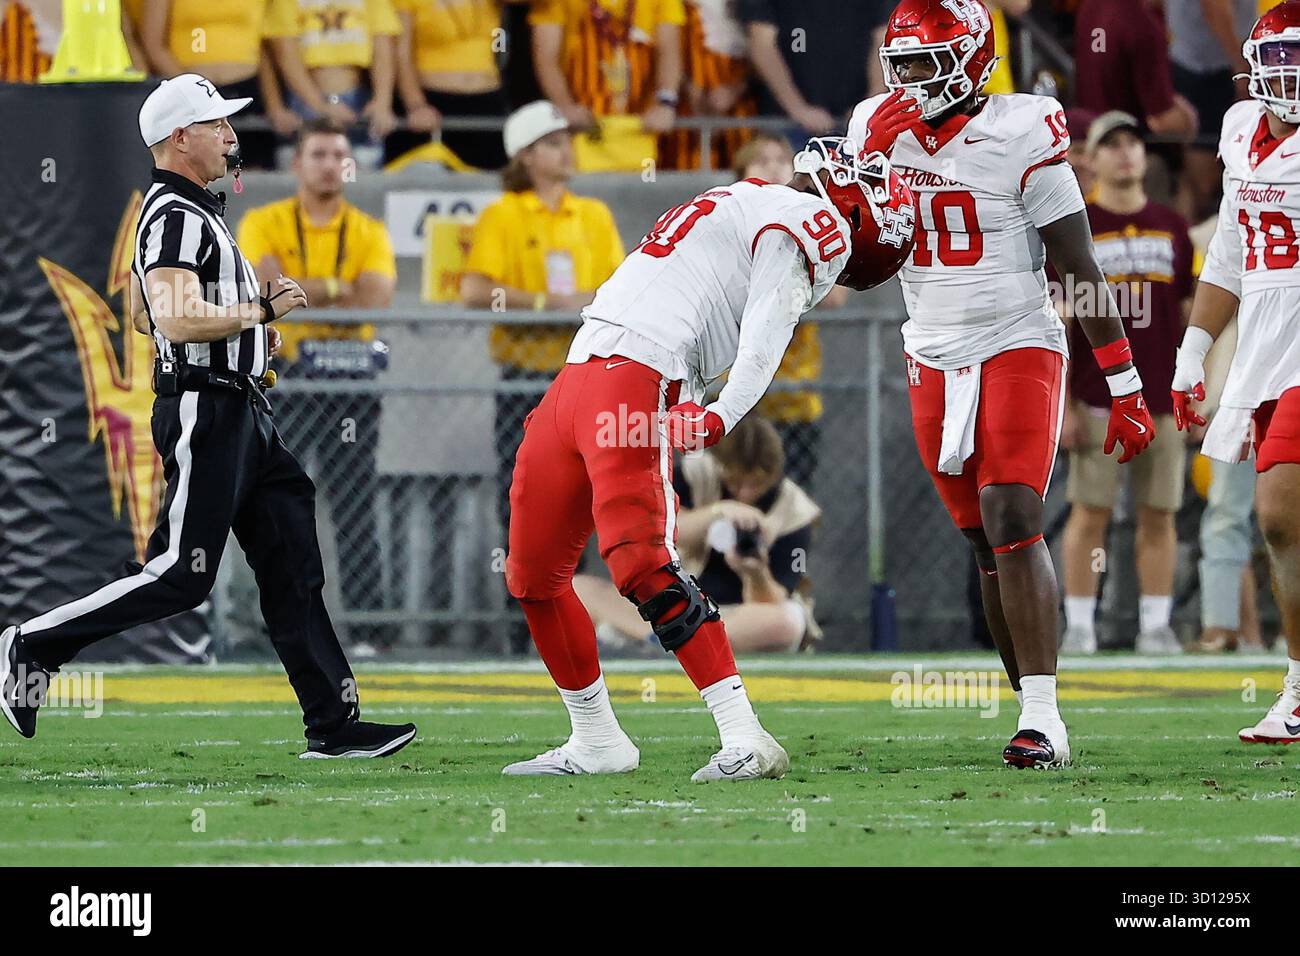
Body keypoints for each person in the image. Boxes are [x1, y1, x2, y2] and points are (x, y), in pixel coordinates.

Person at [0, 75, 414, 758]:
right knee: (180, 574)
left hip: (242, 404)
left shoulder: (193, 208)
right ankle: (31, 645)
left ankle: (333, 723)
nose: (231, 135)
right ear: (179, 137)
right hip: (207, 406)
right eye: (217, 123)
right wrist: (258, 314)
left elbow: (140, 312)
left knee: (291, 565)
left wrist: (250, 339)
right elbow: (171, 316)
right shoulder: (174, 212)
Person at [501, 136, 915, 780]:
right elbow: (759, 324)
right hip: (586, 369)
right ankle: (596, 738)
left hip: (634, 370)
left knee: (639, 559)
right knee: (532, 575)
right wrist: (719, 411)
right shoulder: (790, 212)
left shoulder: (780, 209)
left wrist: (718, 412)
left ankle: (744, 734)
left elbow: (765, 332)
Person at [848, 0, 1156, 769]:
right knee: (983, 542)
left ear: (976, 59)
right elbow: (861, 269)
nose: (910, 78)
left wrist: (1124, 385)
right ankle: (1033, 711)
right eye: (903, 62)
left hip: (1017, 334)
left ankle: (1046, 715)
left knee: (1011, 508)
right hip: (930, 345)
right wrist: (853, 198)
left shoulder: (1023, 130)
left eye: (927, 61)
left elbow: (1079, 266)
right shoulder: (876, 127)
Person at [1170, 0, 1300, 744]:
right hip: (1265, 343)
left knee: (1280, 509)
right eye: (1282, 60)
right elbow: (1231, 253)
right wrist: (1192, 353)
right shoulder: (1238, 130)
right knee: (1281, 521)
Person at [236, 118, 398, 650]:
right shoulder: (264, 220)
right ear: (297, 163)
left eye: (339, 155)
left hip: (351, 386)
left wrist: (301, 293)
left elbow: (373, 299)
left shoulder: (369, 230)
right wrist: (336, 290)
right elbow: (263, 286)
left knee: (356, 507)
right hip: (286, 381)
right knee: (276, 502)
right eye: (320, 154)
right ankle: (274, 625)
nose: (331, 164)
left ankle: (371, 629)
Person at [1058, 112, 1195, 656]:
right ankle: (1080, 626)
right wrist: (1064, 401)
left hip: (1160, 395)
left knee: (1159, 513)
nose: (1125, 152)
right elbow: (1062, 320)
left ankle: (1155, 626)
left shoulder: (1173, 225)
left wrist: (1192, 384)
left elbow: (1186, 315)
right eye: (1110, 143)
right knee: (1088, 512)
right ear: (1089, 157)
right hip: (1096, 396)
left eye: (1133, 142)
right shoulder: (1076, 226)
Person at [459, 101, 625, 544]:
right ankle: (520, 608)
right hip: (524, 382)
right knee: (518, 500)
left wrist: (580, 305)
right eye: (553, 143)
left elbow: (623, 289)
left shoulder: (594, 215)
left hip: (584, 381)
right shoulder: (503, 215)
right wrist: (544, 304)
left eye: (567, 140)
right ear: (525, 156)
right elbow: (475, 290)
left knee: (589, 498)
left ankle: (578, 601)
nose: (568, 150)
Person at [575, 414, 821, 653]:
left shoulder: (794, 510)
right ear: (720, 467)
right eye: (735, 482)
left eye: (756, 483)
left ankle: (679, 642)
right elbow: (661, 530)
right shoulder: (696, 476)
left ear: (774, 475)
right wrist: (719, 511)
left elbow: (777, 597)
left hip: (736, 616)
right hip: (675, 606)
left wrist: (754, 573)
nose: (745, 493)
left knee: (789, 620)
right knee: (578, 588)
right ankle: (669, 639)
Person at [732, 133, 848, 485]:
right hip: (735, 401)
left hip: (794, 400)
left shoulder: (816, 224)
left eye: (781, 160)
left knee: (793, 505)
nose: (772, 167)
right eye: (760, 160)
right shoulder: (729, 225)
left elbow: (834, 296)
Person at [529, 0, 684, 171]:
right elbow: (546, 58)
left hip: (642, 129)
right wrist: (565, 106)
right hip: (580, 130)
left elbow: (669, 51)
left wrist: (665, 102)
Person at [138, 0, 281, 168]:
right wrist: (191, 91)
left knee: (251, 176)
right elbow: (153, 45)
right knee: (195, 168)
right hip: (189, 95)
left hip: (247, 88)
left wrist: (275, 105)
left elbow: (265, 47)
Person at [740, 0, 889, 143]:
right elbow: (761, 41)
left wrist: (867, 108)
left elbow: (884, 37)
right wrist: (798, 109)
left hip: (861, 125)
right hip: (785, 125)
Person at [387, 0, 510, 170]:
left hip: (487, 100)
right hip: (434, 104)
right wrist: (415, 105)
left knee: (491, 186)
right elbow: (401, 52)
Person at [263, 0, 400, 146]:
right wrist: (319, 105)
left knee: (364, 164)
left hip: (360, 101)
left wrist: (382, 102)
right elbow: (285, 53)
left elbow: (384, 46)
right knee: (305, 163)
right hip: (303, 101)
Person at [1072, 0, 1197, 140]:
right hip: (1124, 145)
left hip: (1087, 137)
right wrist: (1189, 119)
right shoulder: (1143, 25)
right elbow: (1161, 121)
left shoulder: (1091, 6)